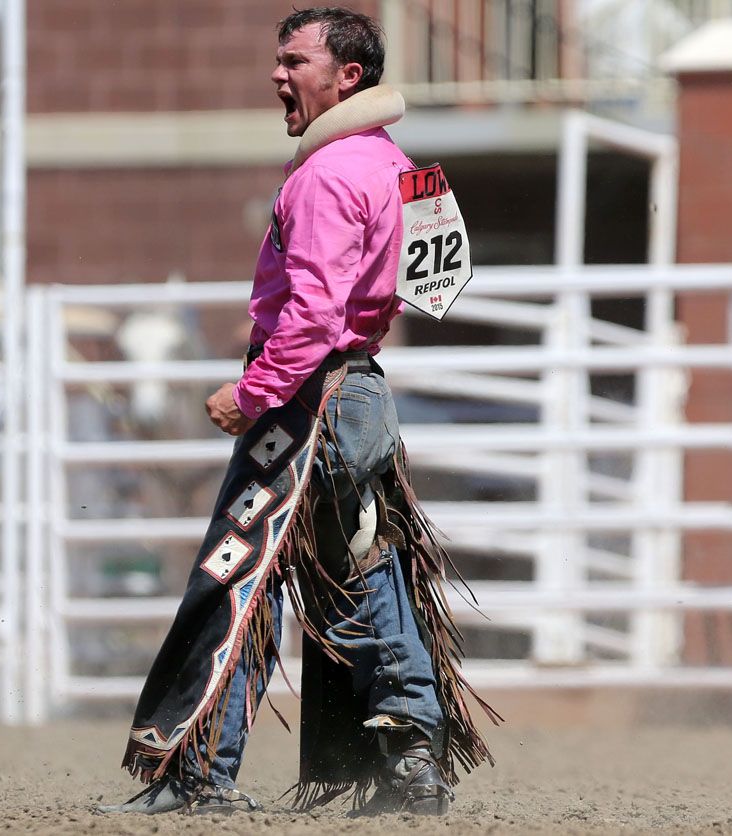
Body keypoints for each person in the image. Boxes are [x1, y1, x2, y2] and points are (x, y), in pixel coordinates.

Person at [100, 7, 498, 816]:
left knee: (244, 572)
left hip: (308, 399)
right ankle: (409, 757)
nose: (278, 74)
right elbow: (431, 281)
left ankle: (201, 770)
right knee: (361, 570)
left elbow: (311, 318)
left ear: (347, 75)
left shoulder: (322, 177)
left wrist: (249, 393)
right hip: (360, 393)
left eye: (294, 60)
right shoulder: (400, 168)